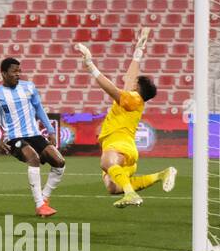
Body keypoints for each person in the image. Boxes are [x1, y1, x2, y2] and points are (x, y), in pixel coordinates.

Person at [76, 28, 177, 208]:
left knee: (106, 162)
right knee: (113, 187)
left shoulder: (133, 99)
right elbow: (131, 76)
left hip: (119, 146)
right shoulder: (135, 99)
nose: (129, 80)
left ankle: (131, 195)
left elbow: (112, 90)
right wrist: (139, 50)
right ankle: (161, 175)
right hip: (125, 149)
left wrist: (90, 65)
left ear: (137, 88)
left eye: (134, 82)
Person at [0, 57, 68, 218]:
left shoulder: (29, 87)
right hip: (14, 138)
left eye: (19, 71)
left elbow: (39, 108)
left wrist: (50, 130)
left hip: (34, 135)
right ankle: (40, 205)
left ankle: (44, 197)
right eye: (14, 71)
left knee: (60, 163)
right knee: (33, 158)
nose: (18, 74)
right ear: (4, 73)